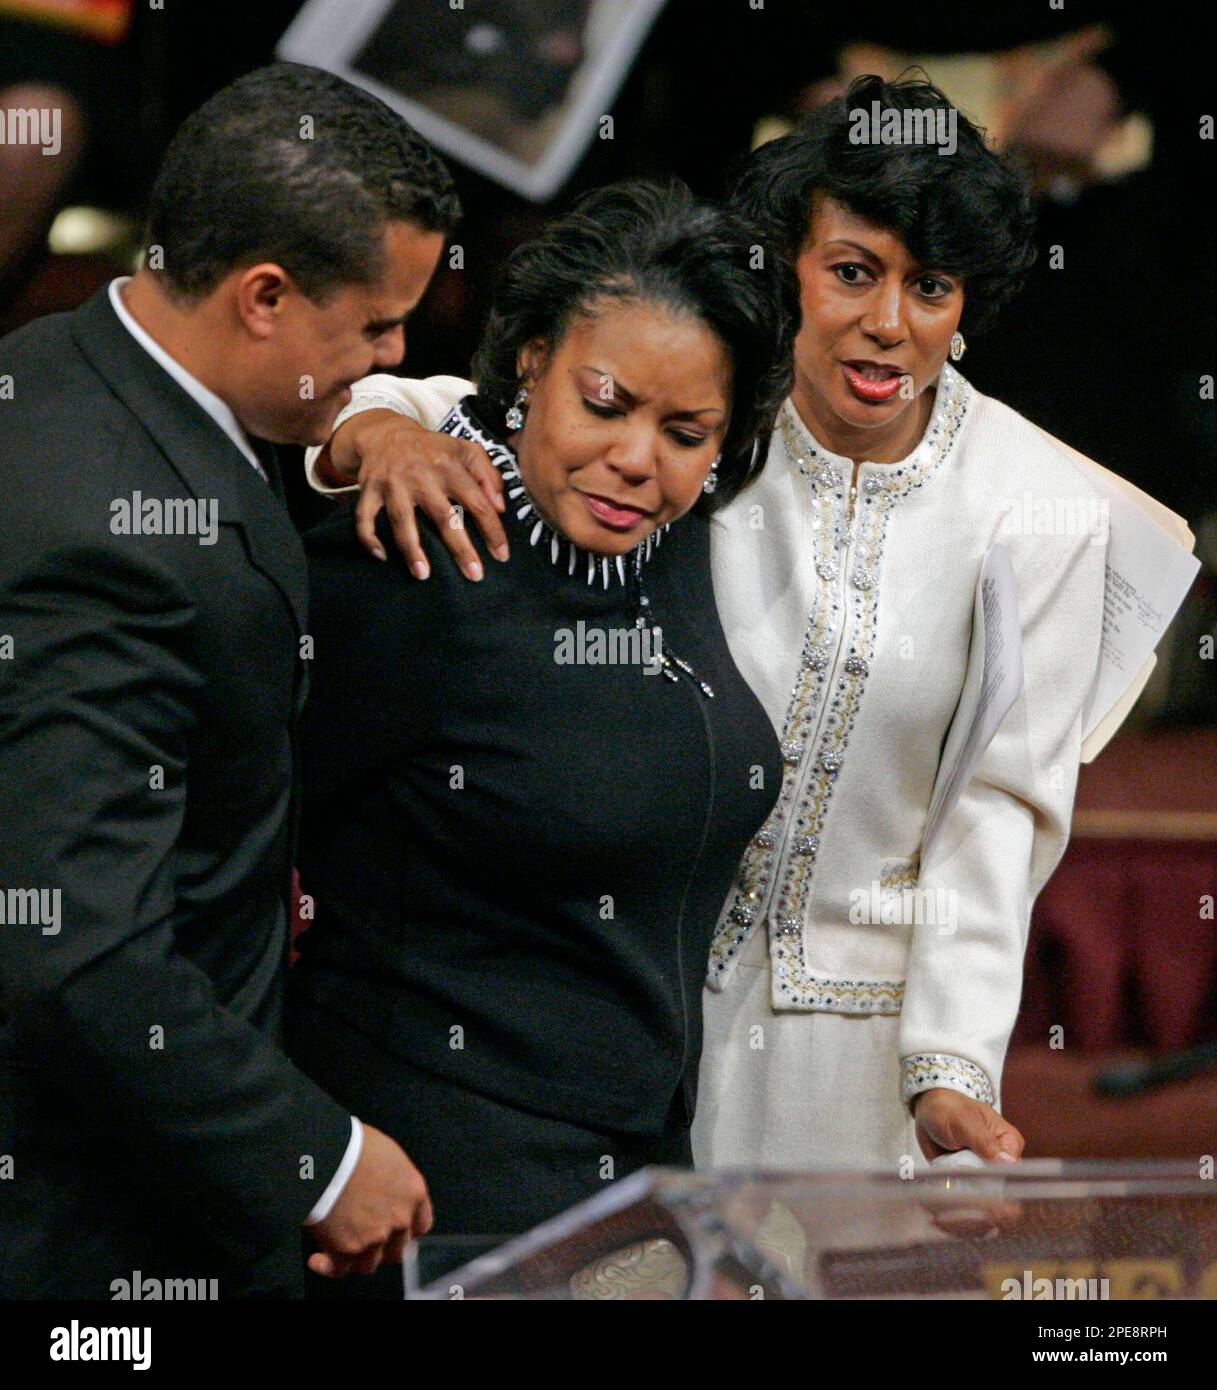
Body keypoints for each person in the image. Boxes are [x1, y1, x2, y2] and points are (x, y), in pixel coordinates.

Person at [303, 75, 1115, 1175]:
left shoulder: (1038, 507)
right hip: (639, 1012)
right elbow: (486, 406)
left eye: (929, 286)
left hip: (862, 1051)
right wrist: (369, 430)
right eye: (849, 273)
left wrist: (950, 1066)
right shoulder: (705, 413)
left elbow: (998, 812)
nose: (886, 322)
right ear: (784, 264)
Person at [287, 179, 797, 1295]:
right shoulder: (412, 555)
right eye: (602, 404)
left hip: (641, 1169)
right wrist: (299, 1153)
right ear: (526, 364)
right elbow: (230, 846)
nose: (634, 459)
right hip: (435, 1181)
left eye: (684, 432)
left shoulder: (680, 541)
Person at [0, 62, 458, 1299]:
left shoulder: (56, 367)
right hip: (95, 1242)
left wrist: (368, 421)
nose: (396, 352)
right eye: (374, 325)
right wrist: (314, 1157)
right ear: (262, 295)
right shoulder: (109, 546)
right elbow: (71, 944)